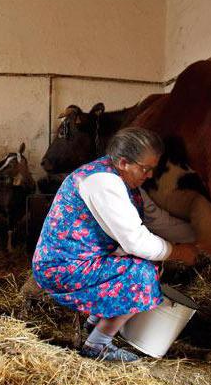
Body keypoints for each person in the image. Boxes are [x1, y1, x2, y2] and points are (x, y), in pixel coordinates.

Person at [31, 126, 199, 362]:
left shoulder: (120, 178)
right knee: (143, 273)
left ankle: (94, 323)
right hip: (61, 268)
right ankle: (96, 345)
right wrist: (180, 252)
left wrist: (199, 236)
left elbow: (155, 218)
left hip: (83, 259)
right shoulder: (102, 183)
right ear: (123, 162)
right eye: (145, 169)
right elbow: (136, 242)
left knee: (147, 263)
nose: (149, 175)